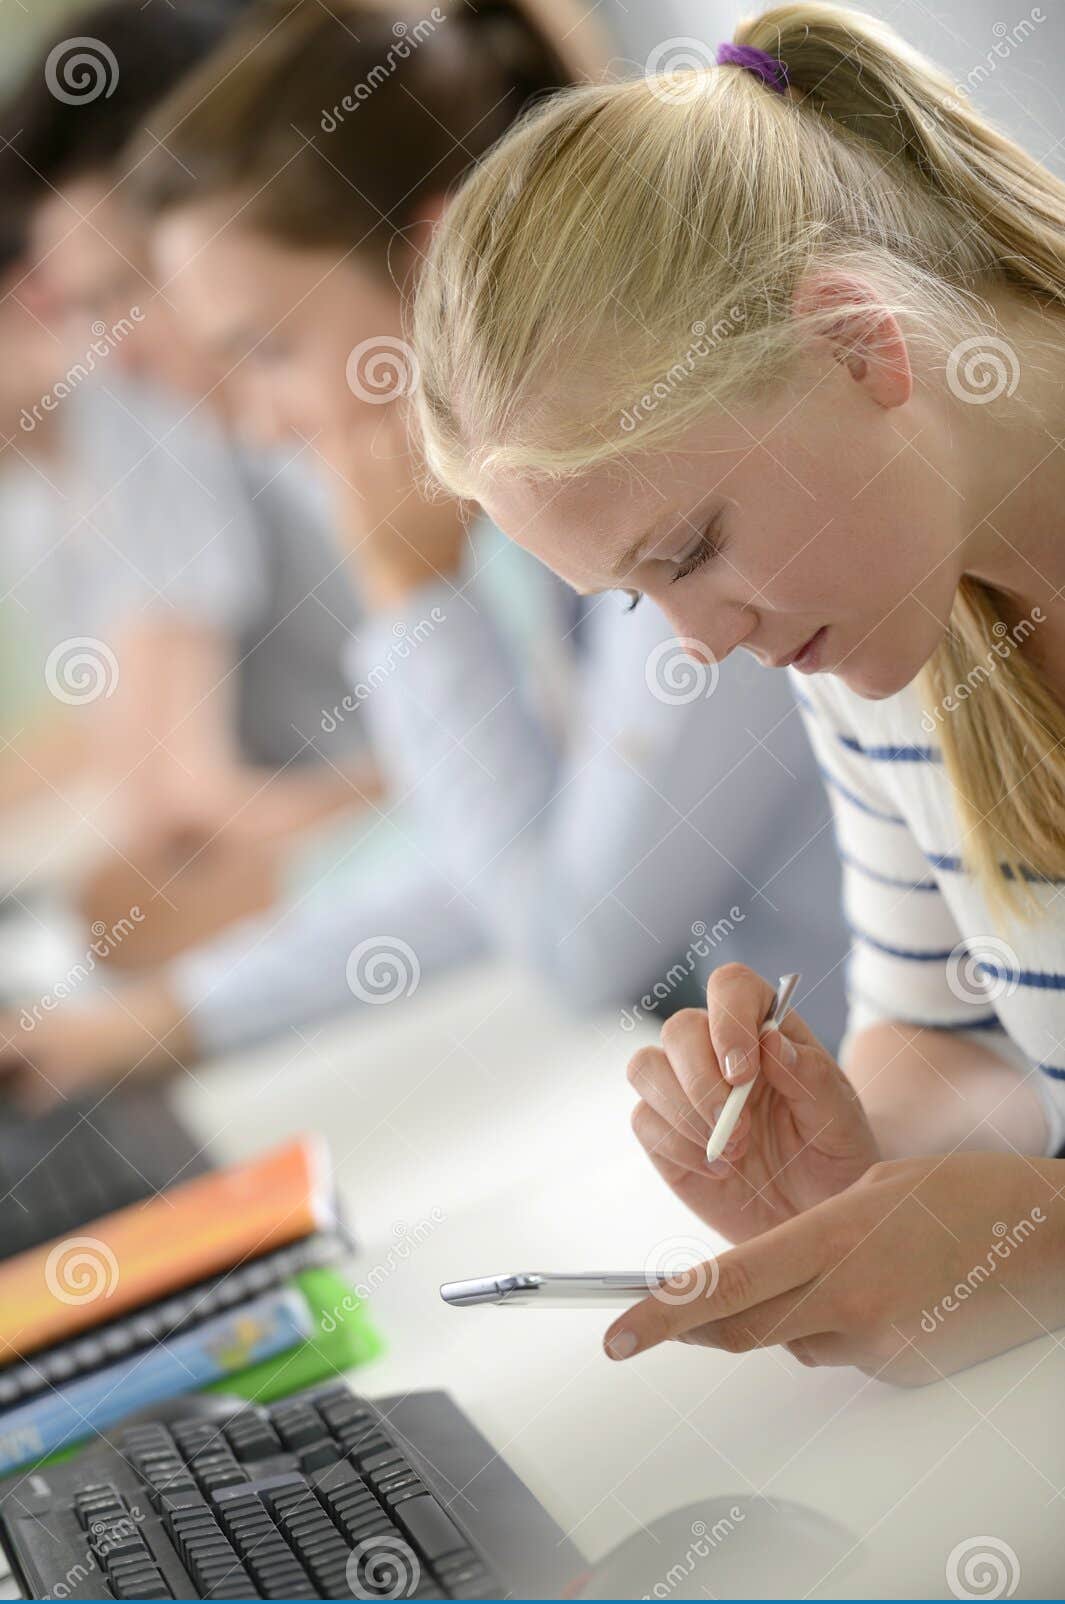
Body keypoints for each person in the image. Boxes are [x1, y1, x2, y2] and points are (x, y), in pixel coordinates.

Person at [0, 0, 848, 1104]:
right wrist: (175, 1018)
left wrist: (412, 597)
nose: (254, 418)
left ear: (430, 258)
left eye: (266, 347)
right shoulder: (550, 513)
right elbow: (536, 851)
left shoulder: (682, 504)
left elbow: (579, 941)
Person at [409, 2, 1065, 1382]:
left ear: (853, 342)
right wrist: (859, 1157)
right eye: (642, 595)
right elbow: (956, 1040)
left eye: (693, 546)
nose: (699, 643)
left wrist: (1036, 1243)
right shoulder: (886, 621)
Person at [0, 0, 377, 966]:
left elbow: (172, 811)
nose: (110, 350)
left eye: (126, 290)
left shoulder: (145, 426)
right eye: (93, 305)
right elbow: (117, 750)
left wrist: (429, 785)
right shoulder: (65, 479)